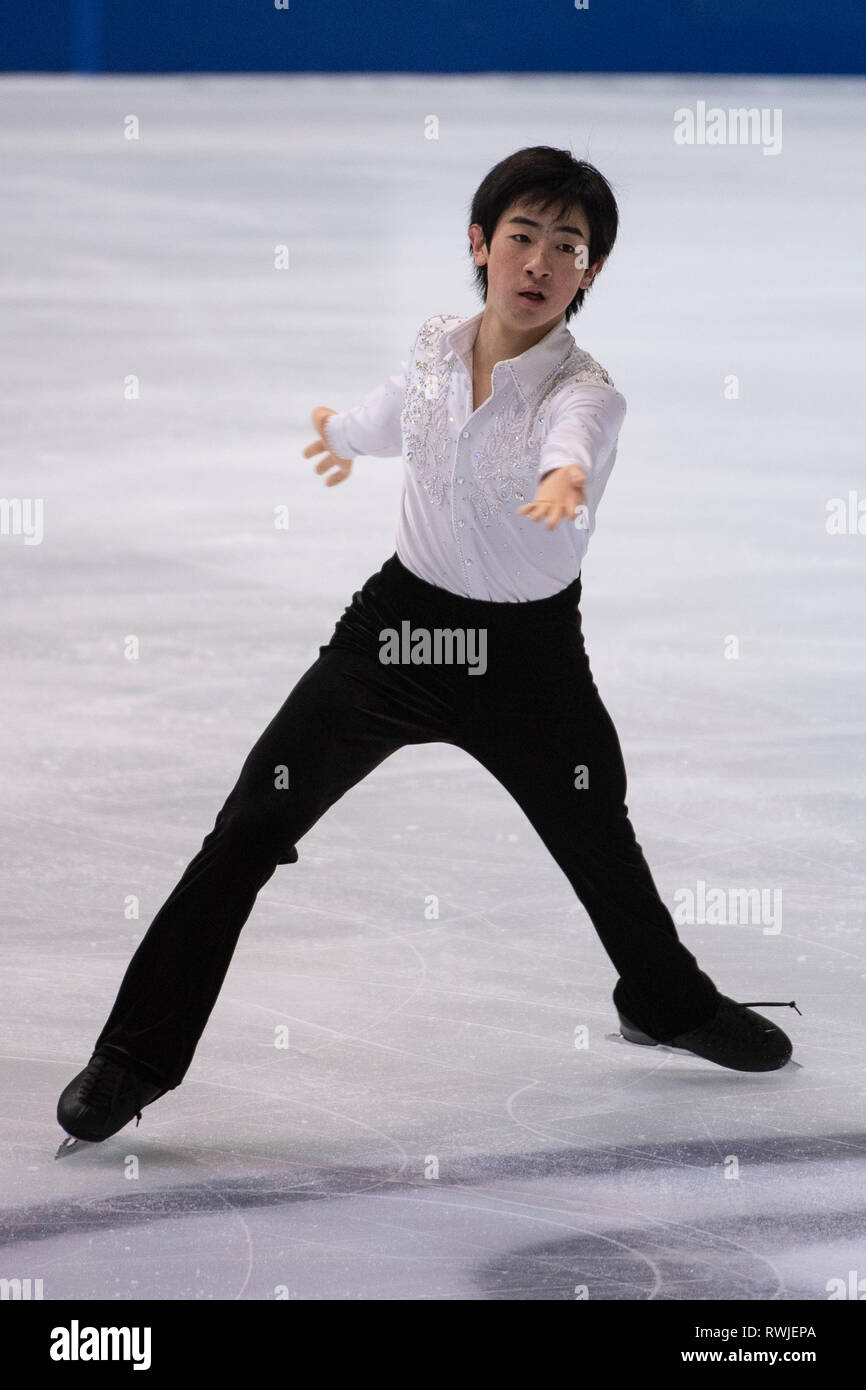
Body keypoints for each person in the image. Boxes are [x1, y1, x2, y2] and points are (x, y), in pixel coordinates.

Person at [57, 146, 797, 1150]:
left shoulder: (585, 395)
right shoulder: (430, 349)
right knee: (248, 822)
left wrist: (563, 478)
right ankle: (134, 1058)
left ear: (589, 274)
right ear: (480, 243)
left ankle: (663, 1001)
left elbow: (569, 442)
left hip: (526, 657)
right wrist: (342, 434)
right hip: (398, 634)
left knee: (595, 830)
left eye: (566, 247)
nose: (539, 261)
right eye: (523, 236)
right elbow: (394, 412)